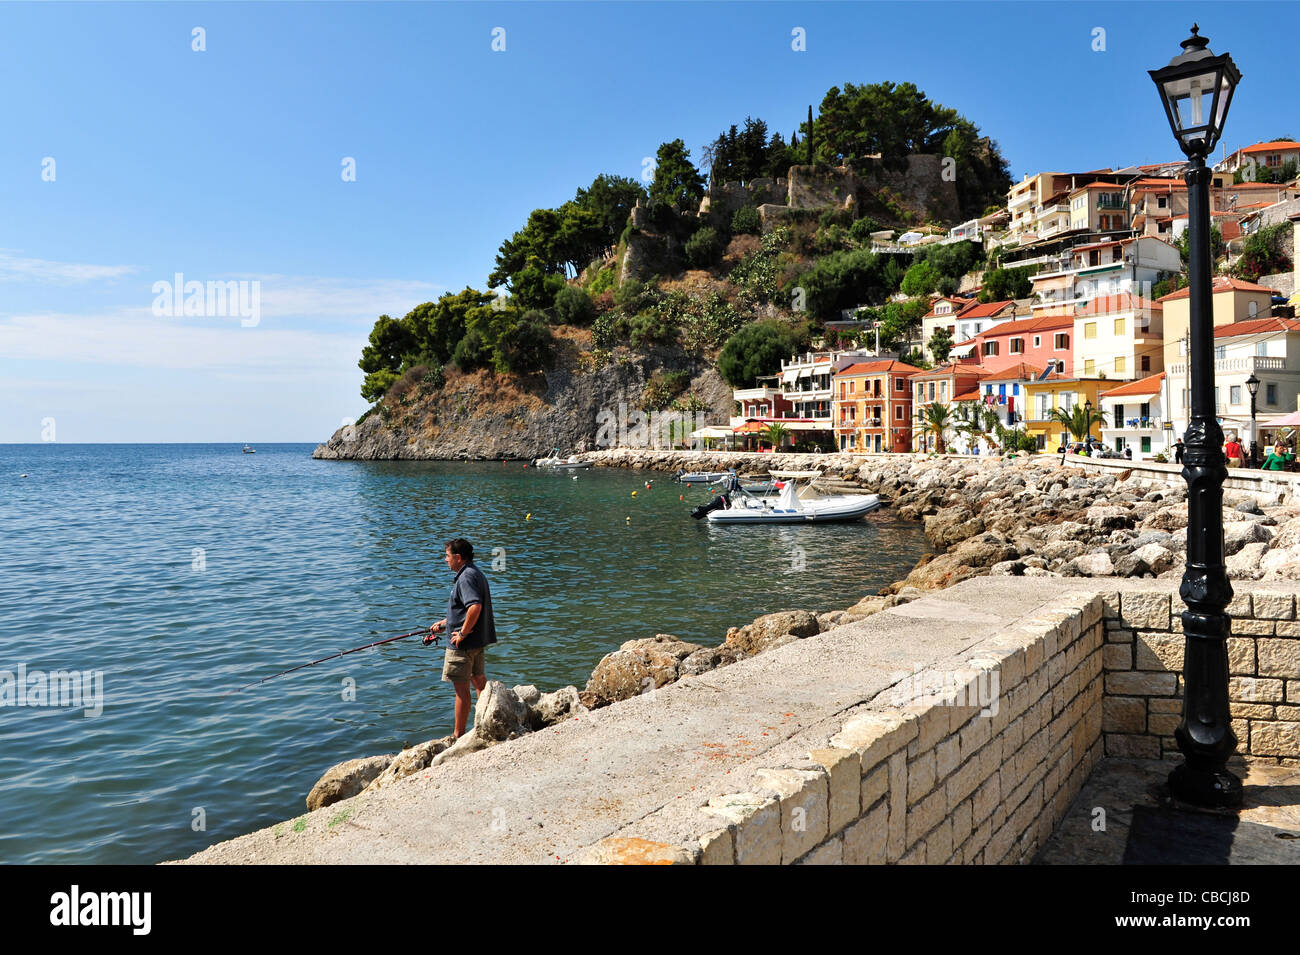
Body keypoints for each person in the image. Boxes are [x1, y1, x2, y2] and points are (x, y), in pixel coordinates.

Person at [425, 538, 497, 739]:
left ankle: (458, 735)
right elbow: (466, 611)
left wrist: (462, 633)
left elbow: (475, 607)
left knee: (461, 692)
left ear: (458, 557)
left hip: (462, 645)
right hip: (476, 642)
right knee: (479, 684)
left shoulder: (465, 578)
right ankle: (484, 723)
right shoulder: (475, 573)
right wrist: (445, 623)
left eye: (447, 556)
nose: (445, 560)